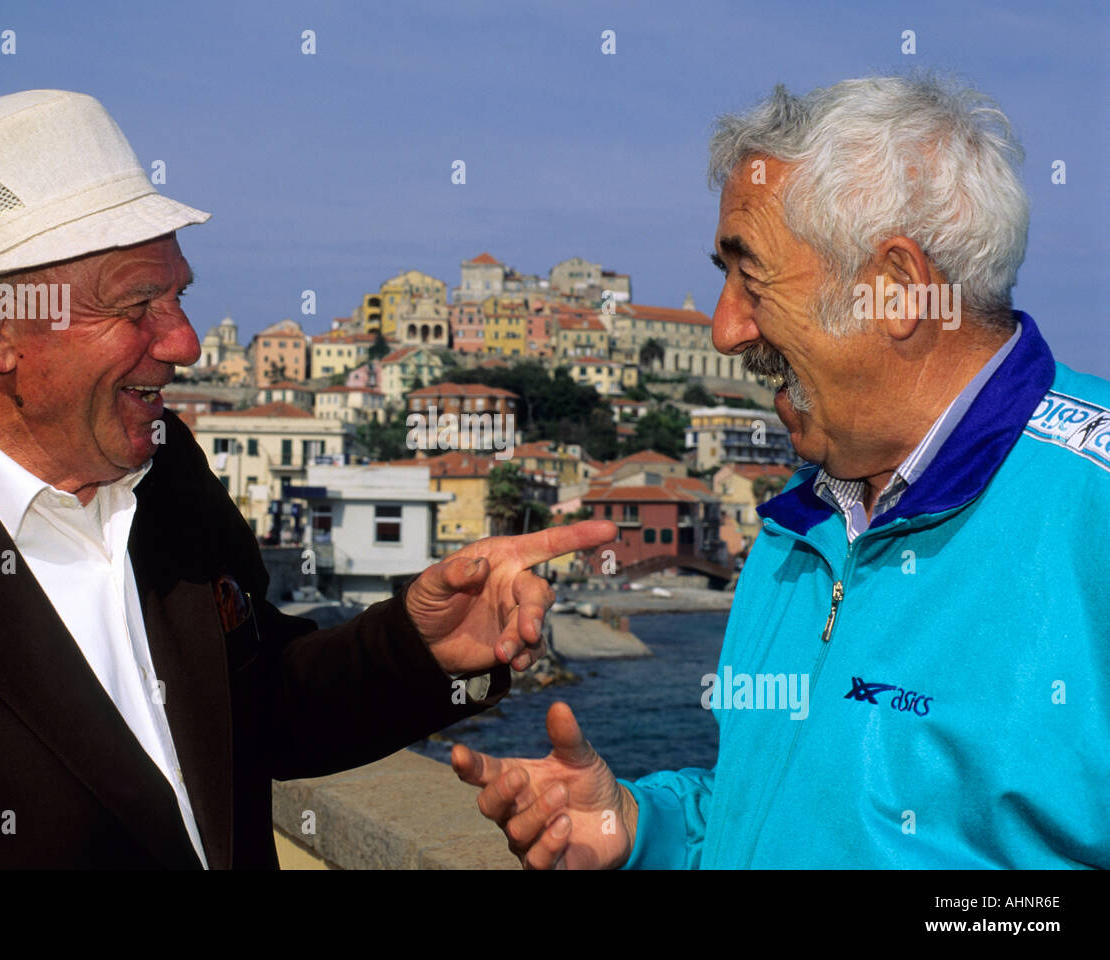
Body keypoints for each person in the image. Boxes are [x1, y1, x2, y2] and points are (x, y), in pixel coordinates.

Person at [0, 89, 616, 868]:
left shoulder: (168, 469)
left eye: (180, 295)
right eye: (138, 305)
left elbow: (258, 705)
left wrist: (424, 650)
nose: (186, 342)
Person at [454, 75, 1110, 869]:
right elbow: (764, 810)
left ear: (897, 291)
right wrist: (638, 826)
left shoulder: (1090, 511)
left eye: (751, 276)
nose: (726, 329)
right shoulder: (796, 522)